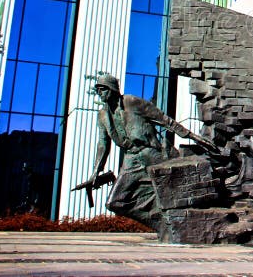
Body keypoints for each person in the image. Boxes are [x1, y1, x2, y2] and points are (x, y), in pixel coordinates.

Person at [88, 73, 218, 227]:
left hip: (151, 153)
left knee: (174, 189)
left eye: (102, 89)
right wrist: (96, 171)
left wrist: (192, 136)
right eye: (97, 90)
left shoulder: (131, 102)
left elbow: (164, 120)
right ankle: (161, 223)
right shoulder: (102, 115)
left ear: (112, 89)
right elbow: (103, 144)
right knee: (114, 202)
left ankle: (183, 219)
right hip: (131, 159)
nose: (99, 93)